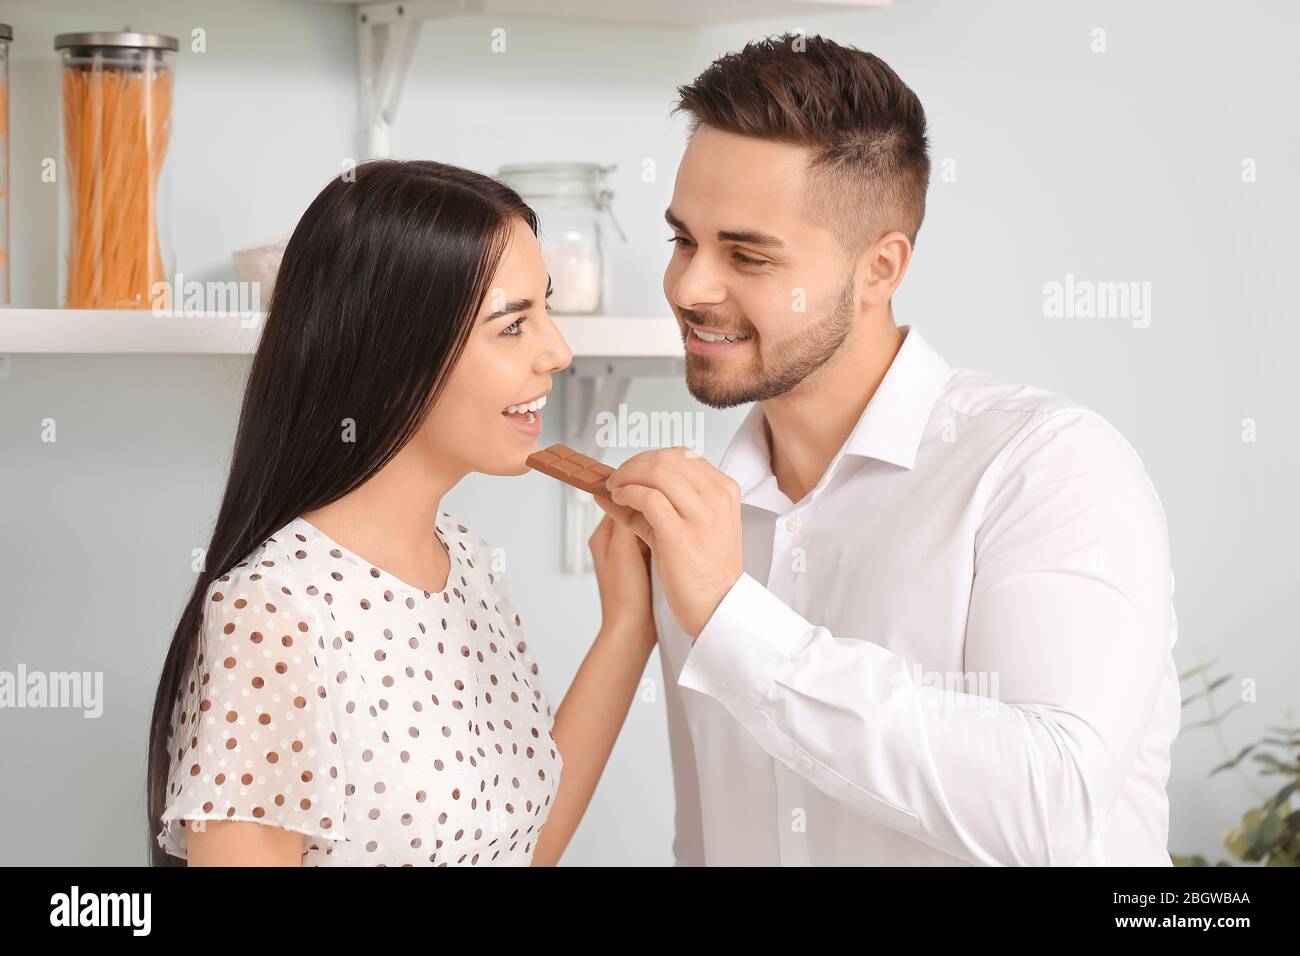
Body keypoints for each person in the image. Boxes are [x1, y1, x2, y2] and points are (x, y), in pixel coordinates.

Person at [596, 34, 1180, 866]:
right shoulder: (700, 525)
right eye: (683, 240)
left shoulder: (1048, 468)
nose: (689, 288)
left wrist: (734, 621)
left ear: (880, 269)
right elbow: (712, 839)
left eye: (747, 254)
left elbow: (1050, 806)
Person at [146, 160, 657, 866]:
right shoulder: (274, 615)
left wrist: (629, 627)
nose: (558, 352)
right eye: (512, 327)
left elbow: (518, 850)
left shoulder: (467, 562)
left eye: (547, 308)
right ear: (392, 353)